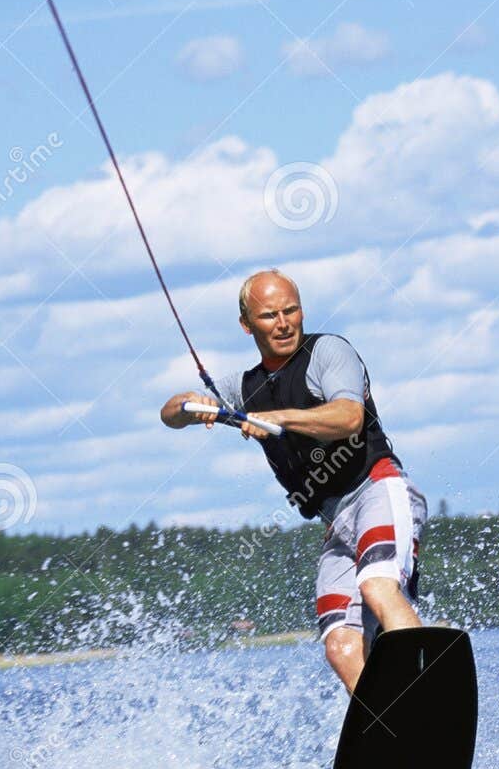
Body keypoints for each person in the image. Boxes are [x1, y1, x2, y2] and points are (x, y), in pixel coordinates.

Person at [160, 269, 426, 693]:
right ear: (247, 325)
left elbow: (348, 417)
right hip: (337, 523)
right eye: (269, 316)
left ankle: (427, 696)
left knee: (378, 584)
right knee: (340, 645)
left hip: (378, 489)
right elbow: (170, 412)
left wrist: (279, 418)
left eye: (291, 311)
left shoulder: (328, 352)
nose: (283, 323)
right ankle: (386, 729)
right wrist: (198, 406)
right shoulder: (244, 387)